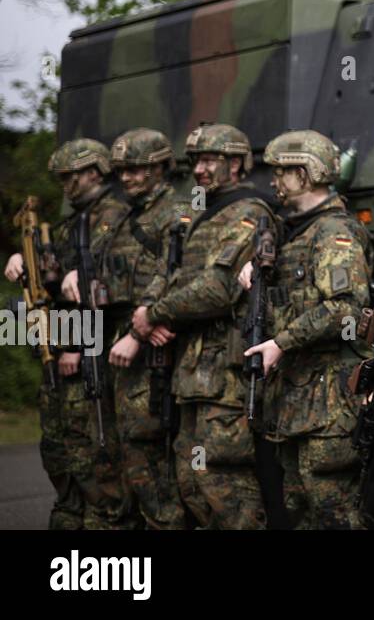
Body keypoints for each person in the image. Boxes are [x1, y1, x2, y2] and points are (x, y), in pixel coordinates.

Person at [136, 123, 273, 529]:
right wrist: (147, 313)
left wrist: (156, 314)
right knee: (192, 483)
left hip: (226, 375)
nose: (199, 169)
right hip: (193, 373)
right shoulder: (203, 215)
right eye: (195, 160)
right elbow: (174, 273)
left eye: (209, 159)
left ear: (236, 163)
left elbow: (218, 289)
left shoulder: (251, 212)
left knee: (224, 483)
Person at [239, 130, 370, 529]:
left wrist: (282, 341)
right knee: (300, 509)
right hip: (296, 403)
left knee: (334, 512)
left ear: (306, 173)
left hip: (328, 406)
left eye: (281, 172)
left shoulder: (334, 232)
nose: (274, 181)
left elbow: (345, 307)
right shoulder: (290, 230)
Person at [4, 139, 129, 529]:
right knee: (59, 454)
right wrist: (23, 263)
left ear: (93, 172)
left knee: (93, 461)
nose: (64, 184)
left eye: (70, 176)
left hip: (94, 355)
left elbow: (114, 292)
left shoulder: (116, 216)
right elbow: (55, 283)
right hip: (59, 350)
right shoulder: (72, 221)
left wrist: (76, 344)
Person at [100, 129, 183, 529]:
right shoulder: (125, 216)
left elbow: (176, 273)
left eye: (135, 170)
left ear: (158, 168)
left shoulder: (175, 214)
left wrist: (146, 324)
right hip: (124, 345)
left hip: (155, 353)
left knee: (148, 455)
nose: (127, 178)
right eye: (122, 171)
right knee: (127, 452)